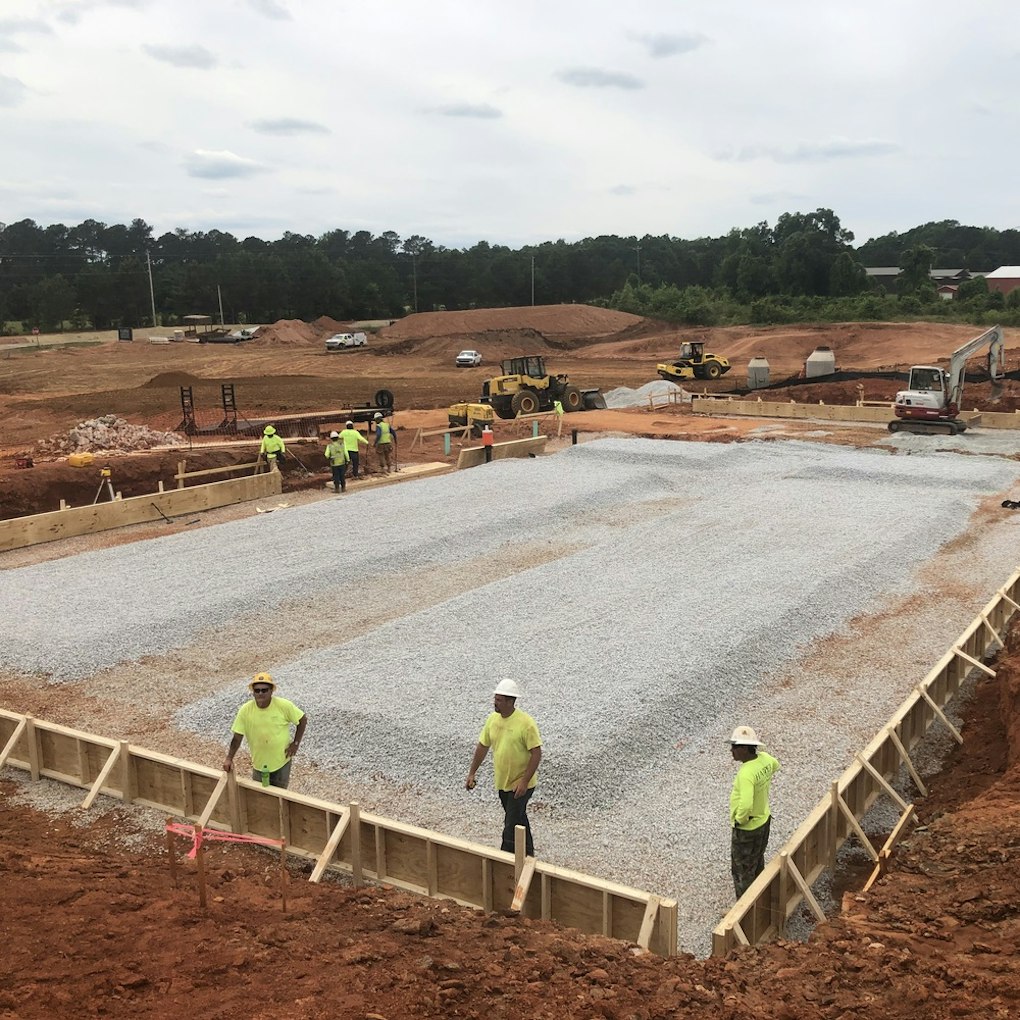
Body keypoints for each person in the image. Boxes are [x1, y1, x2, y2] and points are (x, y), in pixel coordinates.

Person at [466, 678, 543, 856]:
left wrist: (524, 782)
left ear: (510, 701)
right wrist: (472, 773)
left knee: (510, 826)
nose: (495, 702)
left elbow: (536, 753)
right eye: (495, 698)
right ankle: (529, 855)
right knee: (518, 820)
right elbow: (482, 746)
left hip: (521, 785)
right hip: (503, 783)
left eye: (499, 700)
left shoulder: (526, 723)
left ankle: (504, 860)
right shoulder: (492, 720)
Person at [223, 673, 307, 790]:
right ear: (253, 692)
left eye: (264, 690)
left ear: (271, 691)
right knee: (260, 797)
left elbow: (302, 719)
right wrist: (229, 758)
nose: (260, 693)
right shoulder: (245, 711)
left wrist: (296, 744)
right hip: (259, 765)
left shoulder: (283, 706)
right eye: (257, 691)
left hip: (281, 764)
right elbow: (237, 737)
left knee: (280, 796)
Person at [728, 725, 780, 898]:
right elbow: (775, 765)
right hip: (763, 821)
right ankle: (761, 902)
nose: (731, 750)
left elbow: (746, 804)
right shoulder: (764, 759)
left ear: (743, 749)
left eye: (734, 746)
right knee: (757, 861)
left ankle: (744, 915)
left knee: (742, 871)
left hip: (748, 828)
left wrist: (739, 820)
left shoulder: (746, 773)